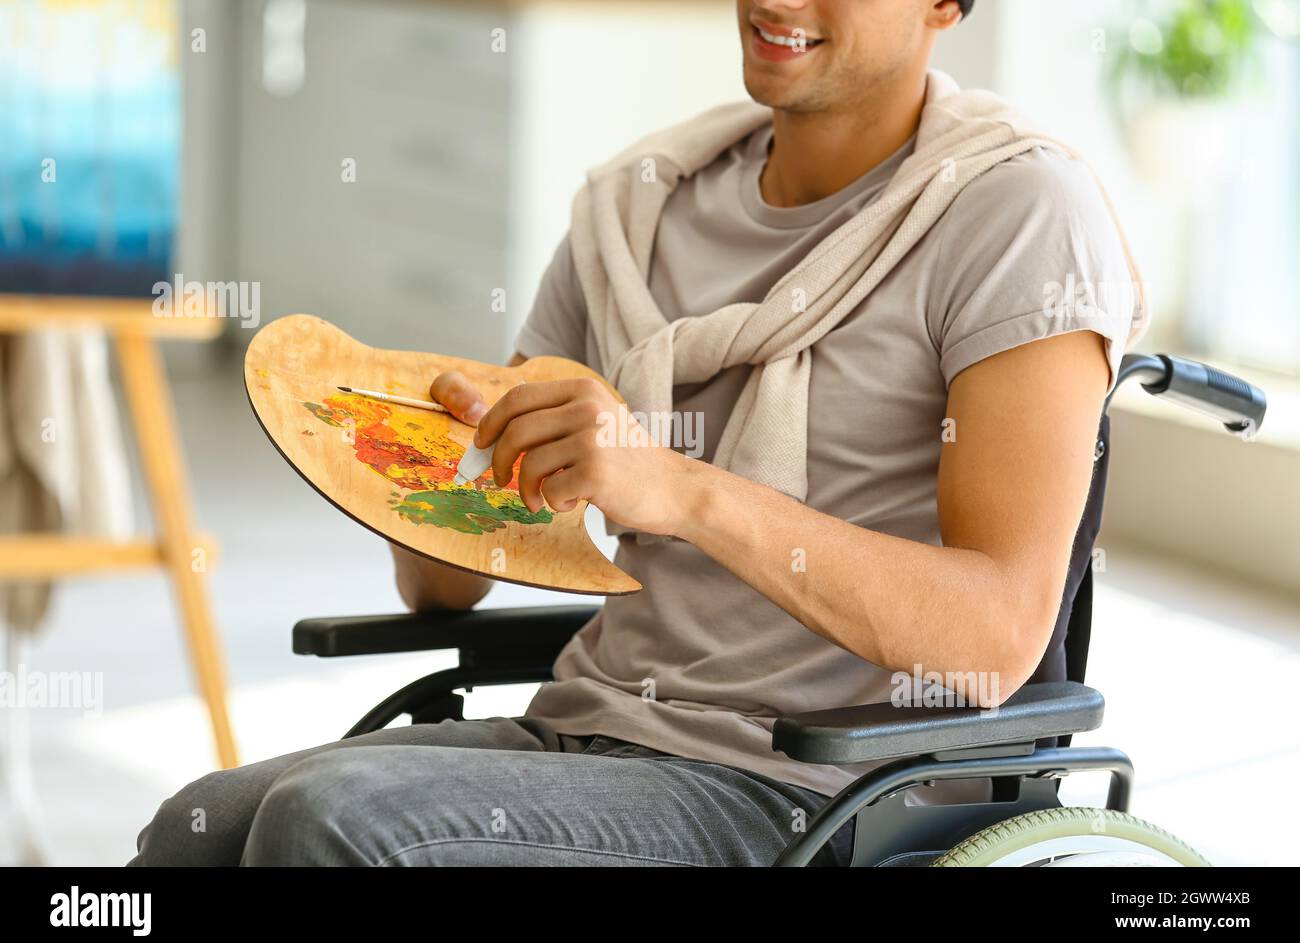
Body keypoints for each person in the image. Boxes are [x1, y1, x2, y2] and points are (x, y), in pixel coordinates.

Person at [132, 0, 1144, 866]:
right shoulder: (637, 207)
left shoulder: (1017, 213)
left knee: (331, 828)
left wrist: (679, 489)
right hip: (595, 728)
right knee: (197, 827)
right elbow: (447, 582)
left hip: (820, 783)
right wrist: (410, 462)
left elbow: (995, 633)